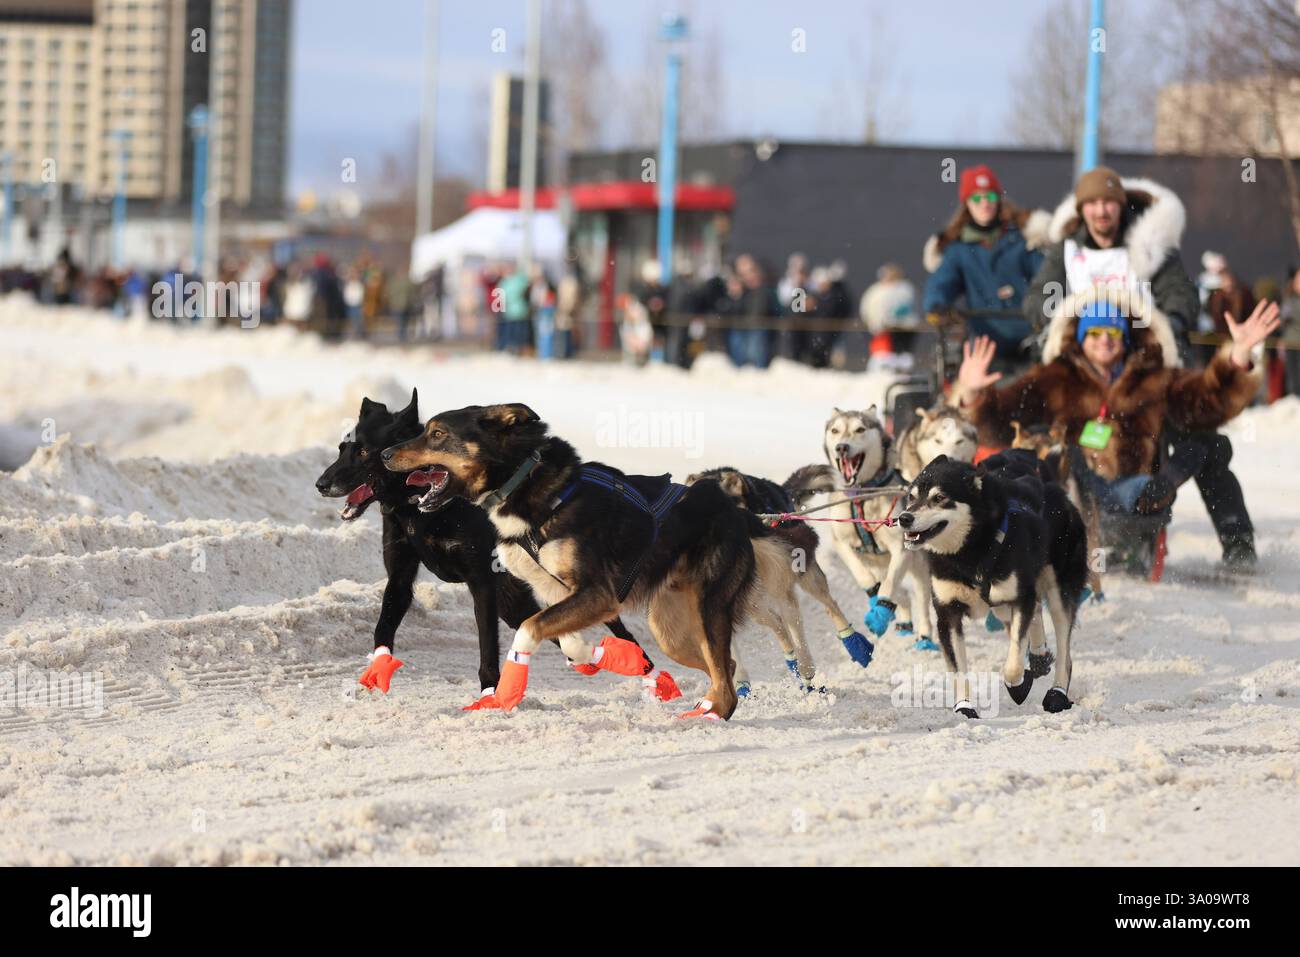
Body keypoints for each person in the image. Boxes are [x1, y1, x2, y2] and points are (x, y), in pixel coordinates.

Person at [1024, 166, 1257, 567]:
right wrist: (1059, 320)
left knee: (1204, 444)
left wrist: (1161, 330)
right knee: (1043, 442)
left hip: (1147, 372)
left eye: (1109, 203)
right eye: (1093, 203)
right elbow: (1037, 302)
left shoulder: (1151, 247)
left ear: (1121, 205)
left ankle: (1237, 542)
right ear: (1082, 210)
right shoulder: (1064, 253)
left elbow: (1180, 297)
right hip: (1085, 374)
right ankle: (1046, 544)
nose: (1101, 211)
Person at [953, 292, 1277, 525]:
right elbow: (999, 422)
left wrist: (1238, 358)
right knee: (1061, 454)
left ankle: (1158, 490)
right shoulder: (1053, 378)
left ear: (1124, 338)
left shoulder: (1154, 378)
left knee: (1195, 451)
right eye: (1094, 332)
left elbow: (1205, 399)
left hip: (1127, 486)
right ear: (1081, 339)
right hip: (1070, 487)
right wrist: (971, 395)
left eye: (1112, 332)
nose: (1104, 340)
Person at [923, 164, 1050, 373]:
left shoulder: (1023, 242)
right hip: (984, 345)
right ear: (967, 204)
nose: (984, 204)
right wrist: (937, 305)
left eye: (989, 197)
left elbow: (1046, 278)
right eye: (976, 198)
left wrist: (1047, 306)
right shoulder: (959, 250)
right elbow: (941, 282)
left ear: (998, 200)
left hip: (1029, 343)